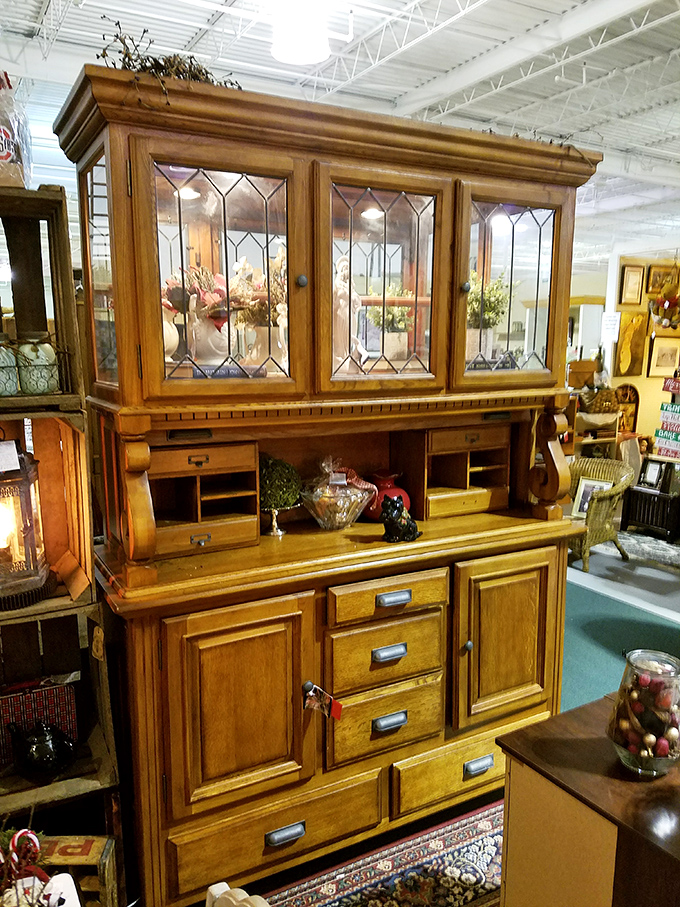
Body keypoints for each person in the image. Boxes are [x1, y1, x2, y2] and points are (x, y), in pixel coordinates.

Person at [333, 255, 368, 368]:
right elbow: (337, 297)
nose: (346, 271)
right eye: (344, 269)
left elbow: (356, 301)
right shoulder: (337, 285)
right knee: (340, 337)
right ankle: (340, 359)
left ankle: (349, 355)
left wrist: (353, 299)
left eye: (347, 269)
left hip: (349, 315)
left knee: (350, 335)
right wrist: (348, 297)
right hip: (340, 316)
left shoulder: (351, 287)